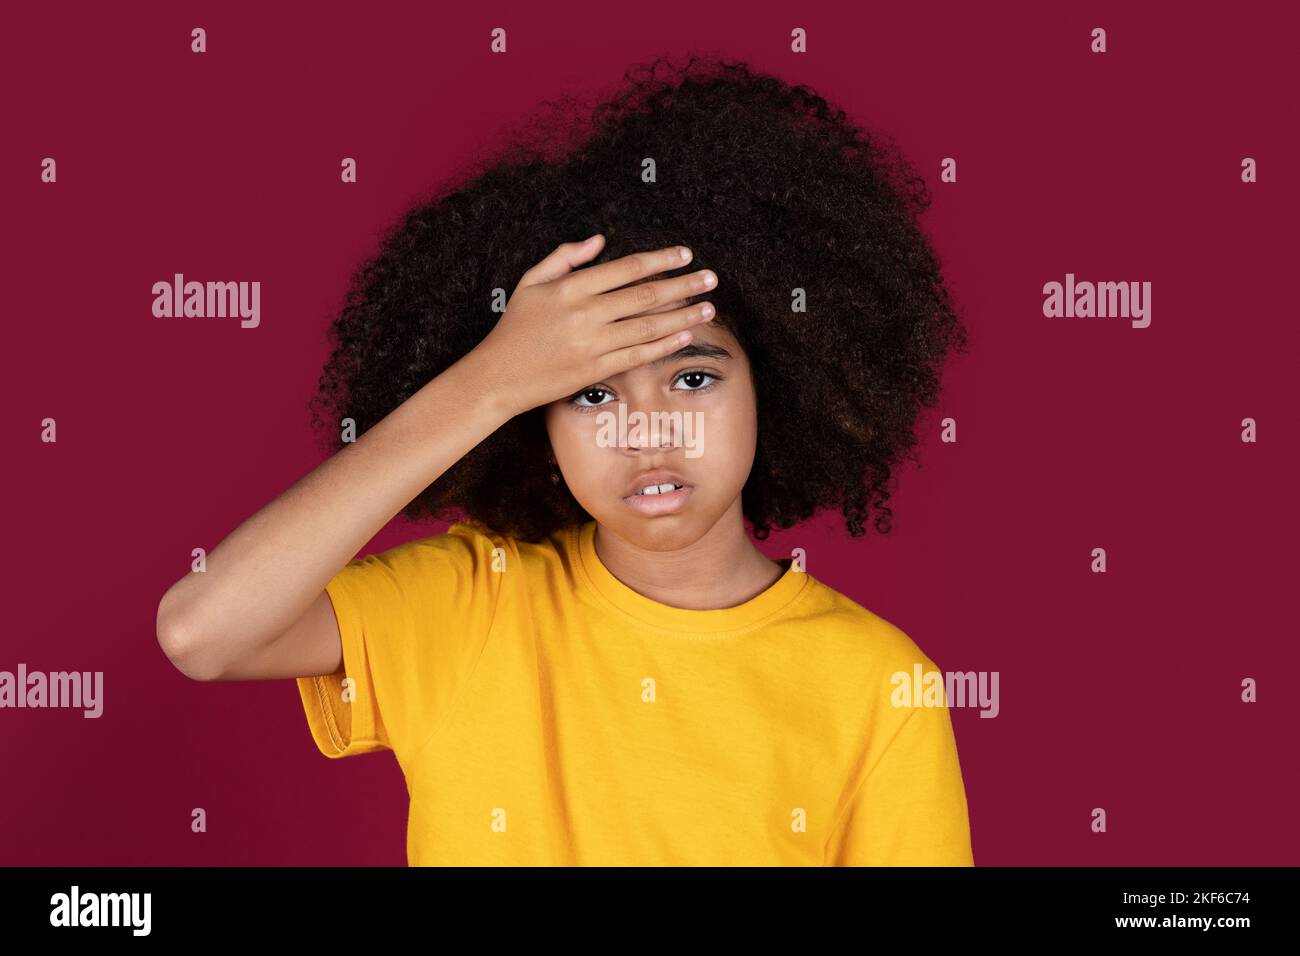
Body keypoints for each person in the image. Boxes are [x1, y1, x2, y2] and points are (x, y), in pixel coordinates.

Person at [156, 52, 973, 866]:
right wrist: (489, 382)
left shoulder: (879, 686)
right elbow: (203, 631)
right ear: (533, 424)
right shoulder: (472, 604)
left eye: (692, 377)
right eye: (590, 393)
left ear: (780, 385)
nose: (647, 432)